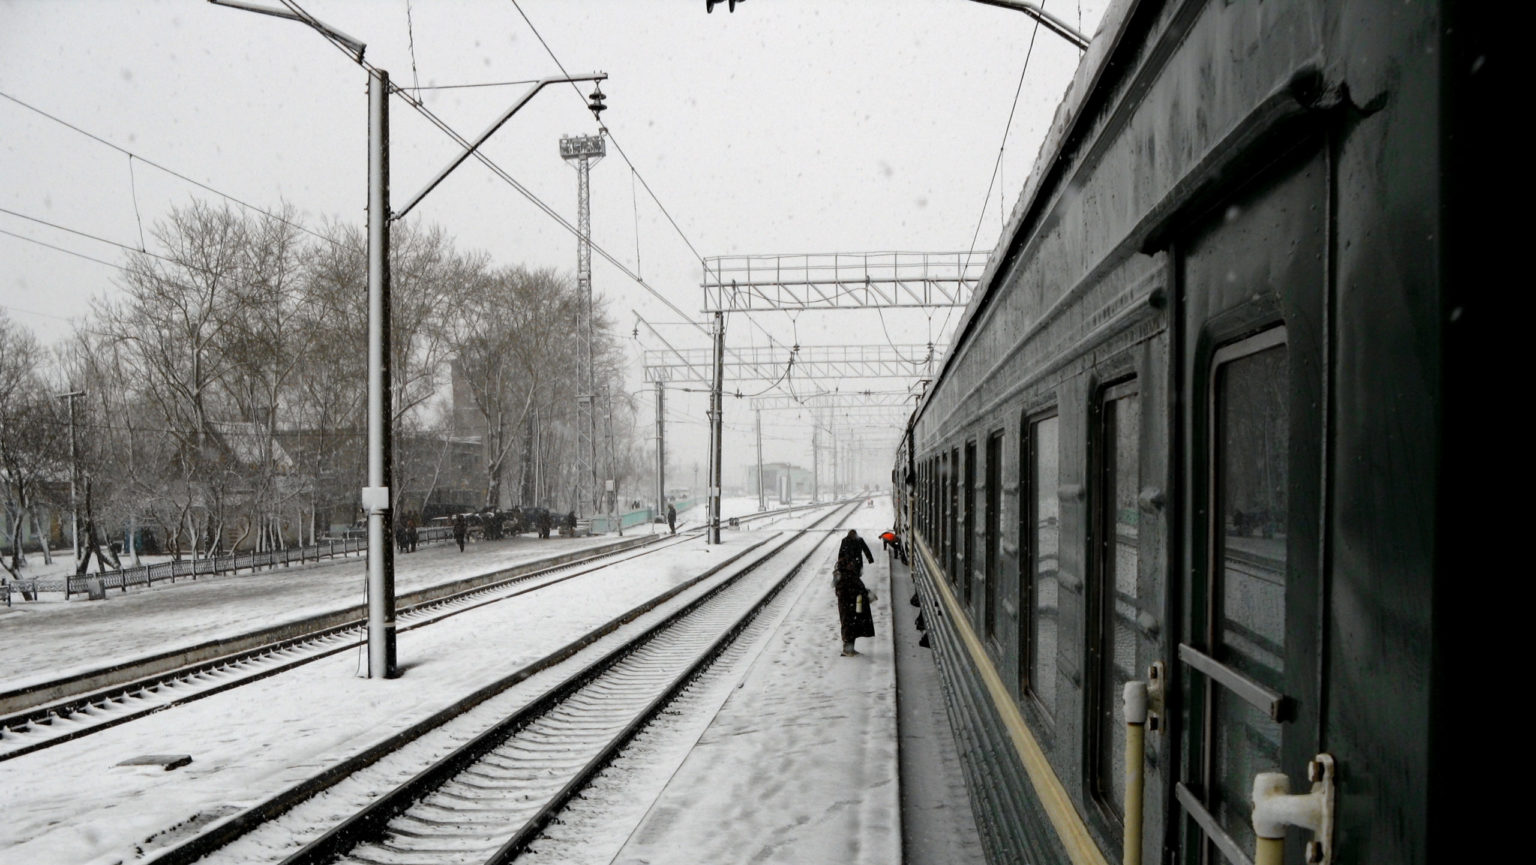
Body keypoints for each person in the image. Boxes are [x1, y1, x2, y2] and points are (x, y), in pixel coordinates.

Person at [833, 530, 877, 656]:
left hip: (847, 603)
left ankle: (848, 648)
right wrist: (866, 593)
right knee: (849, 625)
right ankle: (848, 650)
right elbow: (855, 586)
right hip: (849, 603)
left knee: (849, 624)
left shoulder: (841, 572)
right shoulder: (848, 575)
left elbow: (839, 583)